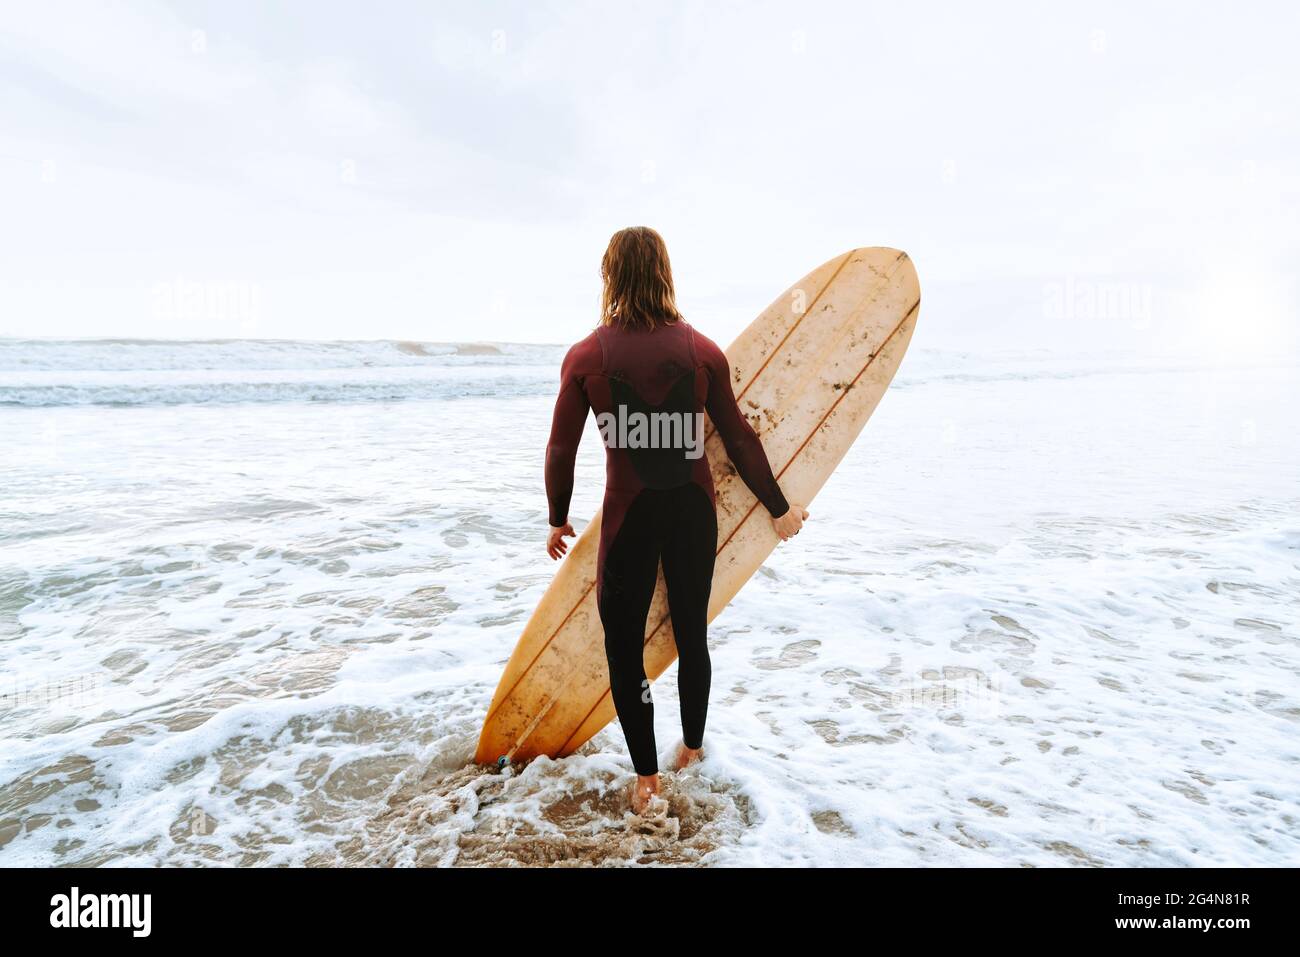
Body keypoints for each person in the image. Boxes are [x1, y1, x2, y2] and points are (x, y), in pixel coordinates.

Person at [544, 226, 809, 814]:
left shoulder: (587, 356)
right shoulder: (702, 351)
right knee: (691, 633)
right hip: (693, 513)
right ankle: (690, 748)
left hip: (628, 518)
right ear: (665, 273)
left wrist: (558, 518)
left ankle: (647, 782)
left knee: (624, 646)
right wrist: (779, 508)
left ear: (610, 275)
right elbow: (738, 437)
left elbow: (561, 449)